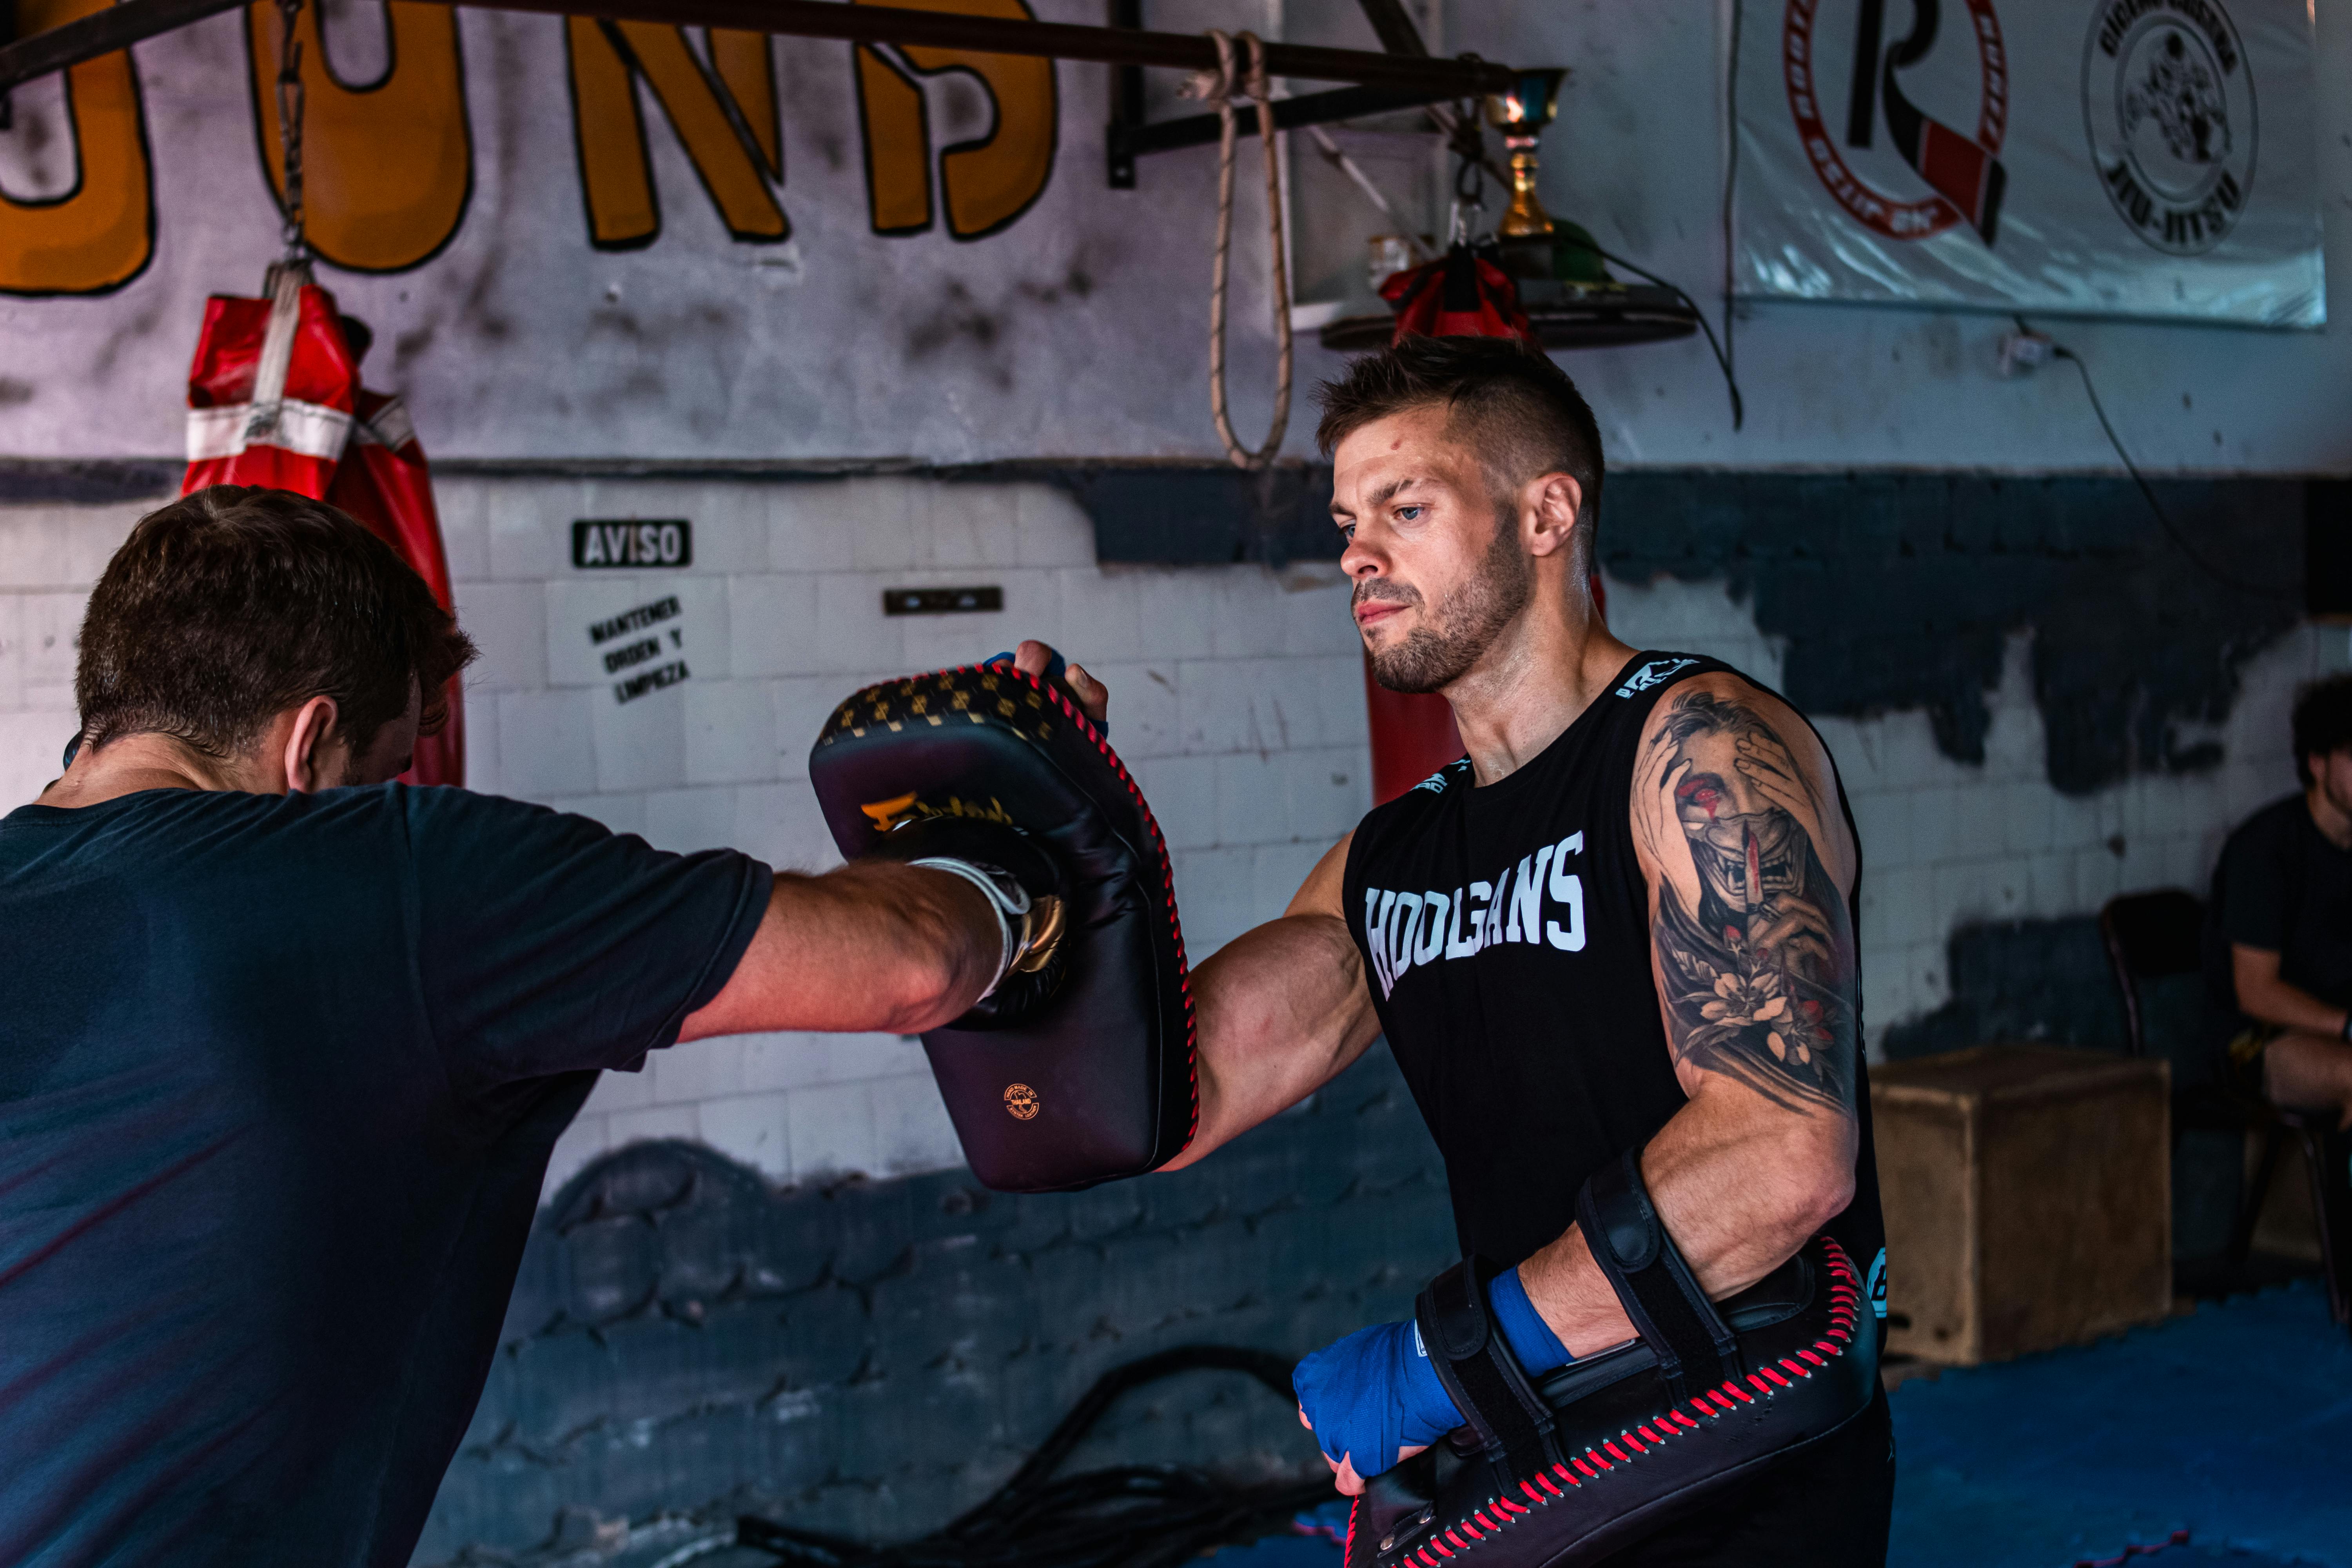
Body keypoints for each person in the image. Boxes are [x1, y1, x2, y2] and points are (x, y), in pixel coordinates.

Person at [0, 485, 1100, 1568]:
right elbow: (911, 964)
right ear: (310, 745)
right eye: (378, 772)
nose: (382, 798)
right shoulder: (382, 875)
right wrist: (1015, 845)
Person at [1151, 336, 1893, 1564]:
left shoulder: (1694, 750)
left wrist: (1436, 1363)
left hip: (1740, 1460)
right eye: (1345, 519)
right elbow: (1167, 1098)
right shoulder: (1385, 860)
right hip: (1533, 1448)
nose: (1355, 553)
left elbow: (1782, 1153)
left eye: (1405, 507)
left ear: (1545, 512)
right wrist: (1036, 879)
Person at [2205, 673, 2352, 1131]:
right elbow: (2256, 991)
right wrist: (2347, 1027)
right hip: (2257, 1039)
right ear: (2317, 764)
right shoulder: (2266, 849)